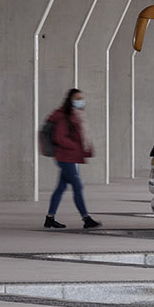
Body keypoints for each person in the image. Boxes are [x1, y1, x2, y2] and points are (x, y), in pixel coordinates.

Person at [43, 88, 101, 230]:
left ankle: (50, 218)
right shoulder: (64, 116)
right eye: (77, 98)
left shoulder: (77, 115)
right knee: (77, 186)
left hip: (70, 156)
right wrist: (75, 146)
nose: (81, 101)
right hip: (66, 156)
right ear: (70, 100)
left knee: (61, 187)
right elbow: (59, 137)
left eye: (82, 98)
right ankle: (86, 218)